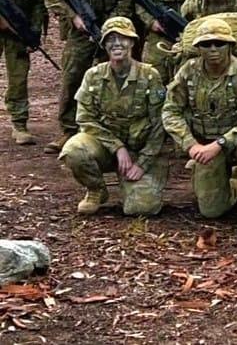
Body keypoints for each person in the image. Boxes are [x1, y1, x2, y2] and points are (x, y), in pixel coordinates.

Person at [162, 17, 237, 237]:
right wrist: (191, 145)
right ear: (198, 48)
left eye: (219, 43)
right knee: (211, 211)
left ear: (230, 46)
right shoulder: (188, 72)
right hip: (204, 143)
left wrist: (220, 144)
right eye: (206, 44)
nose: (213, 49)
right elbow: (170, 111)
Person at [44, 0, 135, 153]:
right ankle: (68, 130)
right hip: (81, 30)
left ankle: (111, 129)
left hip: (111, 29)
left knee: (116, 78)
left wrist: (112, 25)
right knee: (73, 75)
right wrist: (72, 17)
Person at [59, 17, 167, 216]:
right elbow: (85, 119)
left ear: (133, 42)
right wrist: (117, 147)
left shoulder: (150, 76)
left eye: (123, 38)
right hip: (107, 148)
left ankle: (135, 184)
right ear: (104, 45)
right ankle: (96, 190)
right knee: (74, 150)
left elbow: (159, 124)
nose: (117, 43)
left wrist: (143, 163)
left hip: (140, 150)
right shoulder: (94, 75)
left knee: (141, 209)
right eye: (111, 39)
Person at [0, 0, 52, 145]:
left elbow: (41, 1)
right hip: (3, 19)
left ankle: (19, 124)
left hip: (17, 27)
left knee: (19, 77)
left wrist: (34, 32)